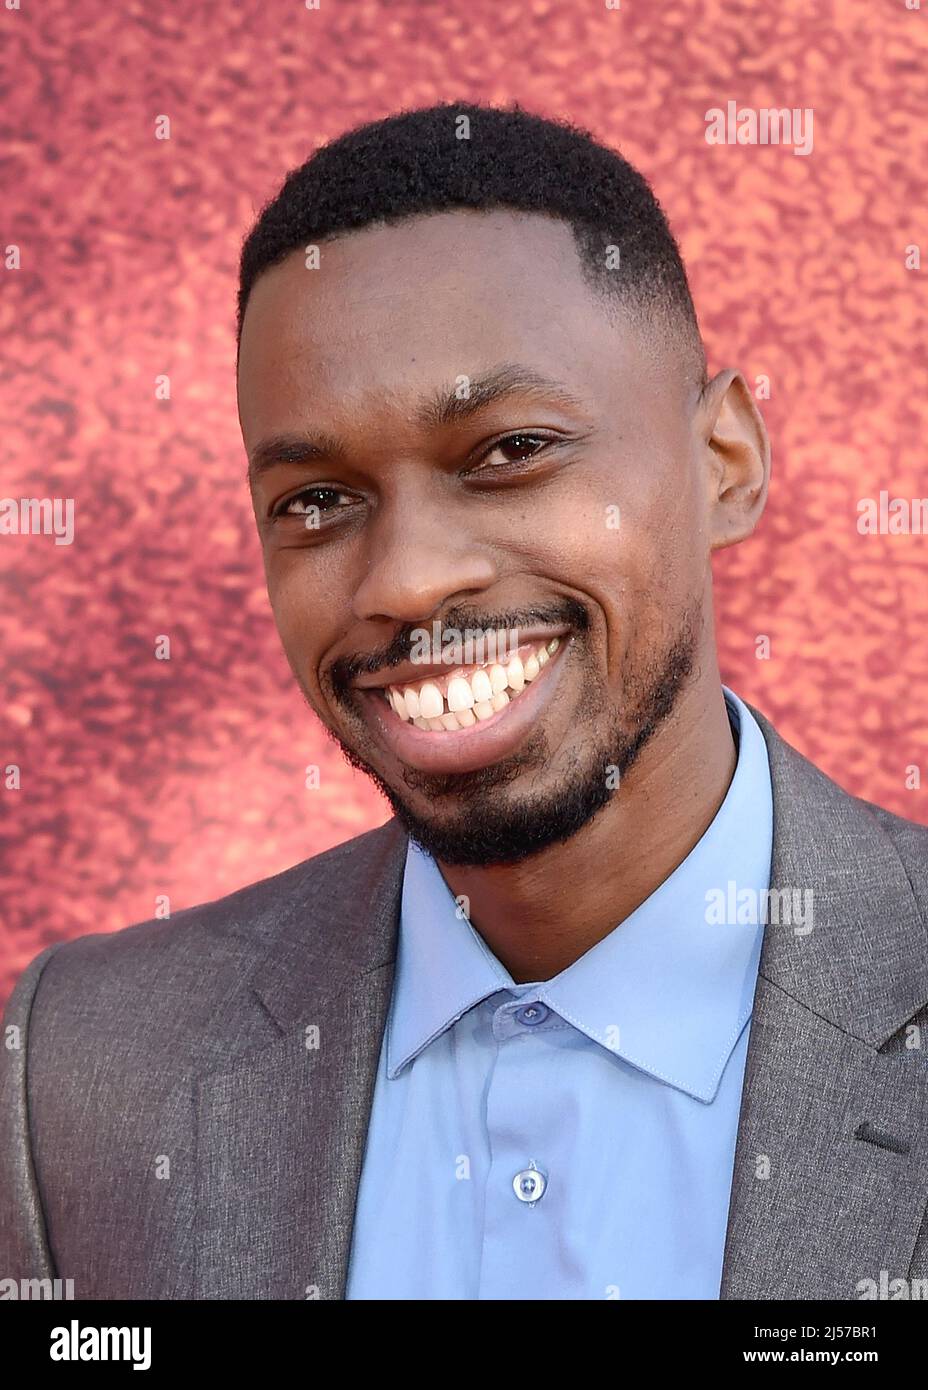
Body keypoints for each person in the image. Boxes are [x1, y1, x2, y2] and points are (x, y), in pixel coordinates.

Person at [3, 101, 927, 1301]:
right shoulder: (80, 1070)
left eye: (509, 451)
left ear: (724, 465)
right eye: (318, 500)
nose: (403, 579)